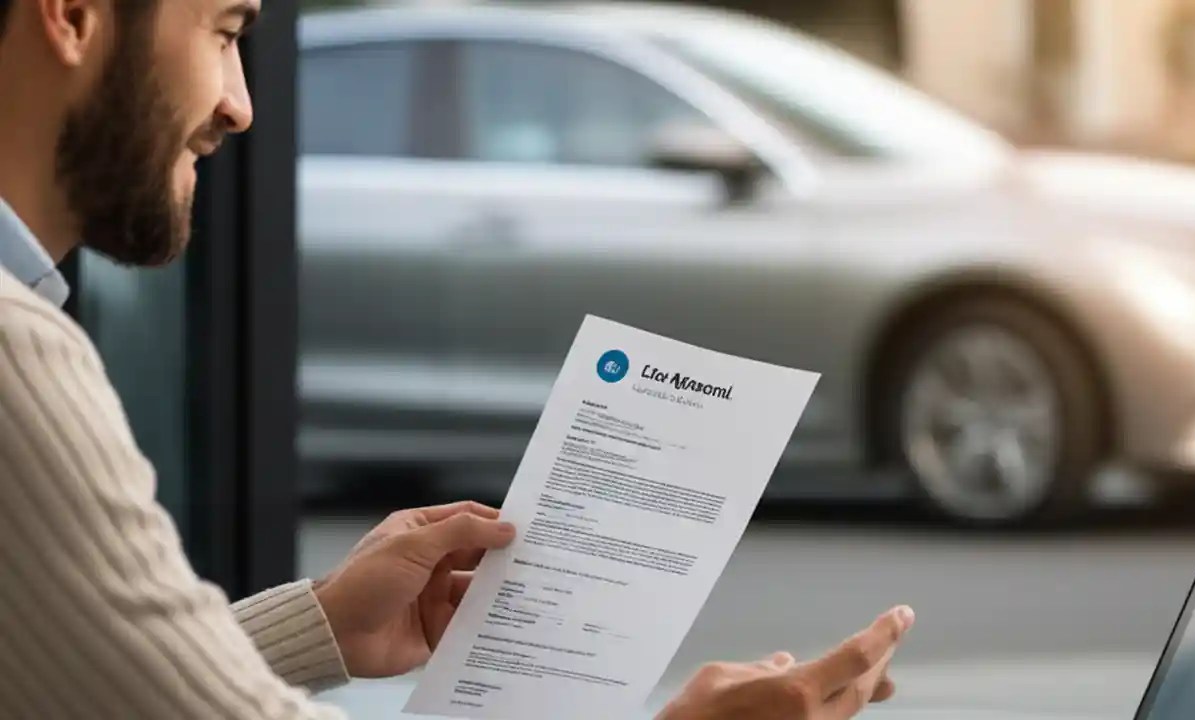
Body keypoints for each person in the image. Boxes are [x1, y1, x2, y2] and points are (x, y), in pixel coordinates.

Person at [0, 0, 914, 717]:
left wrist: (318, 625)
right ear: (74, 16)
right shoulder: (17, 352)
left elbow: (76, 686)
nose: (239, 104)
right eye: (225, 31)